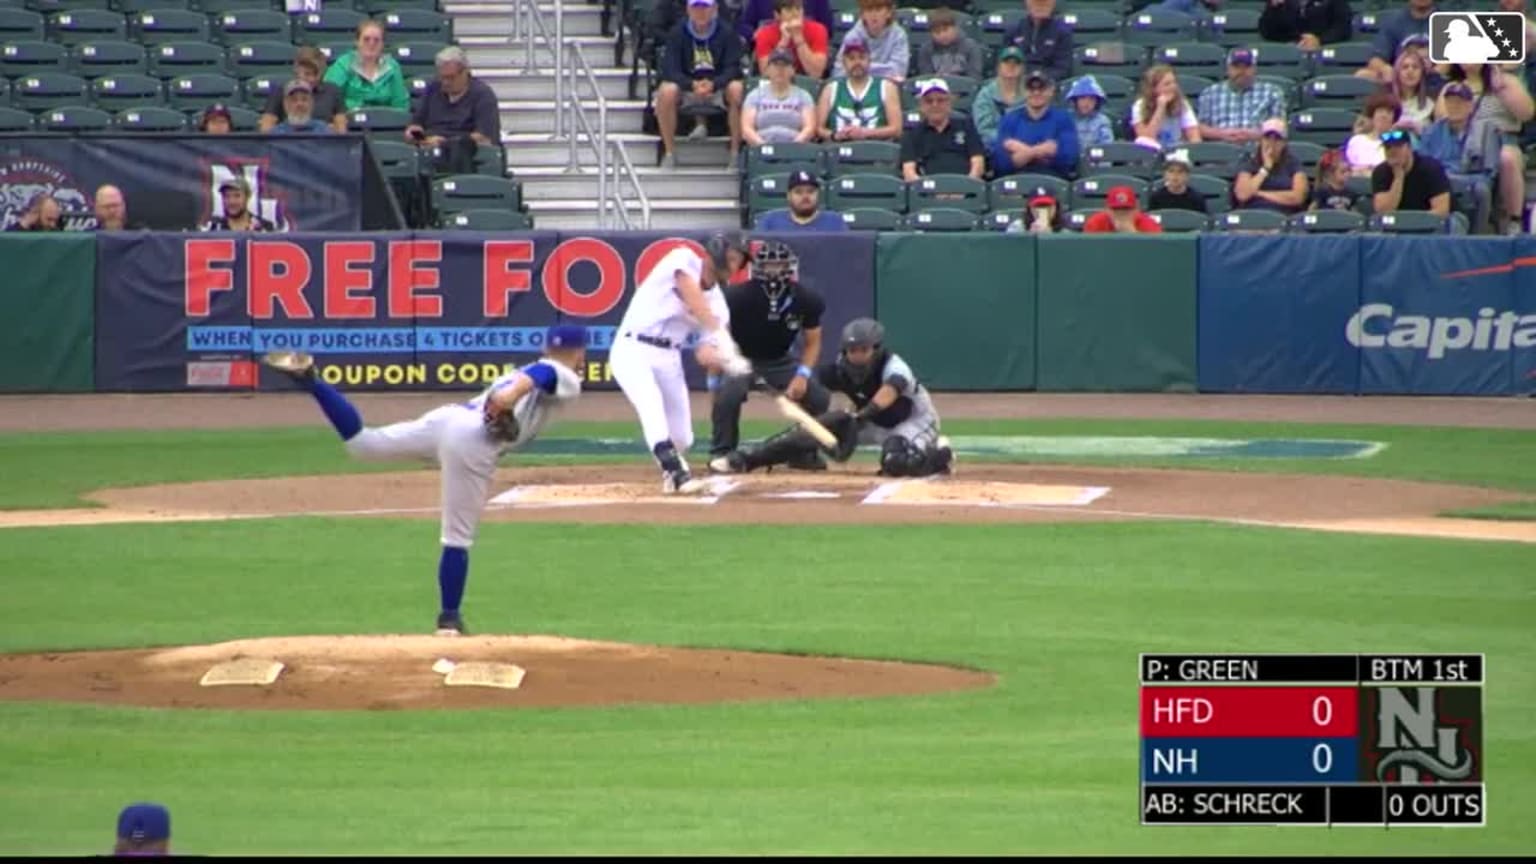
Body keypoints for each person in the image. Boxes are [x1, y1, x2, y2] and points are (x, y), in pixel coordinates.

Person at [262, 325, 590, 636]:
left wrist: (510, 393)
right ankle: (449, 620)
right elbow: (544, 374)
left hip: (449, 418)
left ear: (545, 345)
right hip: (474, 441)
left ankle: (312, 381)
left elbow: (534, 374)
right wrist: (512, 395)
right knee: (457, 537)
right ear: (581, 354)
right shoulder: (566, 376)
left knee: (364, 444)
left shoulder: (527, 368)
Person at [709, 317, 954, 479]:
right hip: (871, 423)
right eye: (852, 350)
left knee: (895, 461)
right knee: (808, 431)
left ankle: (941, 456)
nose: (856, 356)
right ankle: (746, 460)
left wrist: (860, 416)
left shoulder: (894, 367)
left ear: (876, 349)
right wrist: (834, 419)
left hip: (912, 422)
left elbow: (887, 394)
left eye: (863, 350)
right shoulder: (839, 368)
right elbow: (820, 394)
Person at [610, 232, 753, 494]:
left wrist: (726, 358)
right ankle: (676, 473)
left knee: (682, 438)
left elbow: (704, 353)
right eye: (732, 258)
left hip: (669, 356)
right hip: (632, 347)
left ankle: (671, 466)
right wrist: (723, 336)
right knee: (650, 402)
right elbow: (692, 295)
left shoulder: (719, 305)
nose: (734, 266)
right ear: (718, 251)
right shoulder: (682, 258)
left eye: (739, 261)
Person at [708, 239, 833, 468]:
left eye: (779, 265)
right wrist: (715, 379)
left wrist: (802, 375)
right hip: (741, 358)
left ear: (790, 266)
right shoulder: (736, 297)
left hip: (780, 360)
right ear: (757, 268)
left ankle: (800, 451)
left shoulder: (806, 299)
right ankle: (722, 452)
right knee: (728, 396)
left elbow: (813, 342)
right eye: (769, 265)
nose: (774, 271)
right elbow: (720, 337)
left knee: (819, 398)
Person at [1440, 62, 1535, 234]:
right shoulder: (1451, 87)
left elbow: (1526, 113)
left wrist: (1501, 90)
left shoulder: (1505, 81)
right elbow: (1443, 122)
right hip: (1464, 144)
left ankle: (1514, 220)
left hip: (1503, 141)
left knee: (1508, 157)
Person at [655, 0, 746, 169]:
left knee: (737, 89)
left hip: (718, 88)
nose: (701, 12)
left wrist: (714, 84)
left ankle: (735, 153)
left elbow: (733, 67)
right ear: (689, 9)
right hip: (687, 88)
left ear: (714, 9)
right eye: (696, 7)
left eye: (705, 7)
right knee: (666, 91)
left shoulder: (726, 32)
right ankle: (669, 152)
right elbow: (670, 69)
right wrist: (691, 85)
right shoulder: (678, 32)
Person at [1418, 81, 1500, 232]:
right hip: (1438, 182)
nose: (1454, 106)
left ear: (1470, 106)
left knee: (1482, 190)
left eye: (1459, 102)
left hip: (1470, 181)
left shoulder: (1486, 130)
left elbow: (1489, 174)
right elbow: (1422, 167)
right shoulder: (1431, 131)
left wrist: (1457, 179)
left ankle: (1477, 238)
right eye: (1450, 102)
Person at [405, 45, 501, 174]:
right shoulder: (433, 89)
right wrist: (424, 139)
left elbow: (485, 137)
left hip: (466, 154)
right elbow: (414, 128)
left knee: (459, 147)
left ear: (465, 72)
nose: (445, 82)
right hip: (432, 151)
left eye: (450, 77)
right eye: (442, 77)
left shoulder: (482, 94)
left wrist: (446, 143)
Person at [991, 69, 1079, 178]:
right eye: (1031, 88)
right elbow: (1000, 163)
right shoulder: (1009, 119)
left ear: (1051, 90)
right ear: (1024, 91)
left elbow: (1069, 158)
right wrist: (1043, 151)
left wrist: (1022, 152)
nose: (1036, 93)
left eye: (1041, 88)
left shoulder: (1064, 119)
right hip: (1016, 182)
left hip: (1053, 181)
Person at [816, 36, 903, 141]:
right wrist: (835, 135)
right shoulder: (831, 88)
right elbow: (818, 129)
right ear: (844, 62)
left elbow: (897, 129)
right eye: (851, 58)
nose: (857, 62)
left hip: (875, 152)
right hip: (839, 150)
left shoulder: (886, 87)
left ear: (869, 60)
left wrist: (866, 133)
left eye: (861, 57)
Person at [900, 77, 986, 179]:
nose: (935, 105)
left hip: (965, 189)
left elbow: (978, 164)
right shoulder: (912, 134)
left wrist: (965, 187)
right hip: (927, 192)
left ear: (949, 103)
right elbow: (909, 172)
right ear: (921, 105)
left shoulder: (966, 127)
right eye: (929, 101)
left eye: (940, 100)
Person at [1196, 47, 1287, 144]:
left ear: (1254, 69)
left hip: (1258, 151)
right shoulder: (1210, 94)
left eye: (1247, 66)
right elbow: (1200, 129)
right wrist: (1222, 134)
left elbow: (1281, 128)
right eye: (1236, 66)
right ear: (1227, 69)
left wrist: (1253, 134)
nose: (1241, 71)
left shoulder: (1272, 92)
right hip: (1220, 151)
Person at [323, 18, 411, 112]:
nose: (371, 44)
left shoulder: (392, 67)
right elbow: (328, 98)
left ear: (382, 44)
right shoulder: (343, 64)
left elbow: (401, 105)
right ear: (357, 42)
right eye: (366, 39)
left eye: (376, 40)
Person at [260, 45, 346, 133]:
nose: (306, 78)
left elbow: (341, 131)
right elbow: (266, 129)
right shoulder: (281, 91)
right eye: (304, 74)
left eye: (311, 74)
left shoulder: (333, 91)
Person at [1232, 117, 1309, 212]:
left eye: (1277, 139)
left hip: (1282, 217)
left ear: (1284, 143)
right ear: (1261, 140)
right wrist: (1265, 169)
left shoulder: (1293, 163)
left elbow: (1297, 197)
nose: (1271, 143)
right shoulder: (1250, 161)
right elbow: (1242, 195)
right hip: (1252, 216)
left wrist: (1259, 193)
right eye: (1267, 138)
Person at [743, 49, 818, 145]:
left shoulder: (804, 96)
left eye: (785, 65)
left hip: (795, 148)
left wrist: (793, 146)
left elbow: (809, 128)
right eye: (775, 65)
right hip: (761, 147)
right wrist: (762, 146)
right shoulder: (755, 95)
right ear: (768, 69)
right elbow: (747, 129)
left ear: (792, 70)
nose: (780, 69)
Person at [1371, 126, 1451, 216]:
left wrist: (1412, 222)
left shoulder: (1431, 168)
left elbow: (1441, 211)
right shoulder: (1380, 172)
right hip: (1397, 226)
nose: (1392, 151)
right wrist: (1398, 178)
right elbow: (1383, 212)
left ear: (1409, 148)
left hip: (1431, 224)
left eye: (1398, 146)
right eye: (1388, 147)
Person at [1358, 0, 1436, 84]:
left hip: (1434, 81)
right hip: (1401, 80)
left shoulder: (1445, 18)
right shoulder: (1394, 21)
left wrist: (1431, 75)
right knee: (1363, 74)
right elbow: (1376, 59)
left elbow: (1446, 65)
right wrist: (1385, 69)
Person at [831, 0, 909, 83]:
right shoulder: (852, 37)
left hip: (888, 87)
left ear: (889, 13)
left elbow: (899, 71)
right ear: (862, 14)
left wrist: (861, 69)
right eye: (869, 10)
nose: (874, 15)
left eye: (878, 10)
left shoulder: (899, 35)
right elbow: (839, 72)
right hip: (858, 86)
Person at [1132, 64, 1201, 151]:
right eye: (1167, 84)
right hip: (1149, 153)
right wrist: (1160, 108)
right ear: (1154, 88)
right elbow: (1145, 140)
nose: (1173, 87)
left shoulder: (1182, 104)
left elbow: (1194, 137)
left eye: (1174, 82)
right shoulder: (1139, 105)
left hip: (1177, 152)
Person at [971, 45, 1028, 150]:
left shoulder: (1031, 94)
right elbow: (983, 130)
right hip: (993, 150)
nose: (1011, 66)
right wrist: (1008, 143)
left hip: (1026, 148)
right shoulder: (986, 94)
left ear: (1023, 68)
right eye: (1007, 62)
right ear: (998, 67)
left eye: (1016, 63)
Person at [753, 0, 829, 78]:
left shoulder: (818, 30)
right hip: (776, 83)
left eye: (798, 8)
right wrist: (783, 42)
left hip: (808, 83)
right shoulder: (764, 34)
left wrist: (798, 38)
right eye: (789, 10)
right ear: (777, 15)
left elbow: (816, 73)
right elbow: (766, 74)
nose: (795, 14)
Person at [756, 168, 850, 230]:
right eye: (798, 192)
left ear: (818, 194)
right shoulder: (770, 221)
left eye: (810, 191)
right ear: (788, 195)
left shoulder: (835, 221)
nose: (805, 196)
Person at [1004, 0, 1073, 84]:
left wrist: (1039, 79)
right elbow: (1004, 63)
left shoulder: (1062, 32)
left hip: (1048, 85)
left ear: (1053, 3)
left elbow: (1063, 68)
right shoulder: (1014, 30)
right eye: (1036, 3)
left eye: (1044, 3)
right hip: (1017, 84)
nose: (1040, 7)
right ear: (1027, 3)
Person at [914, 7, 983, 80]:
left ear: (955, 27)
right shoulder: (926, 49)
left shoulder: (971, 46)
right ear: (931, 33)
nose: (942, 35)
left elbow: (975, 78)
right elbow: (926, 78)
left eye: (945, 30)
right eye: (937, 32)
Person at [1344, 91, 1403, 174]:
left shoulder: (1398, 143)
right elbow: (1348, 170)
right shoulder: (1357, 141)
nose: (1384, 115)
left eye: (1389, 112)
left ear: (1394, 118)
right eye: (1380, 111)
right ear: (1373, 115)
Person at [1257, 0, 1353, 50]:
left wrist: (1320, 40)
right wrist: (1273, 9)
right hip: (1289, 51)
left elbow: (1342, 26)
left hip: (1324, 50)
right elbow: (1267, 32)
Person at [738, 0, 834, 44]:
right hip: (770, 47)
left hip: (809, 47)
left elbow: (827, 29)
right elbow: (743, 26)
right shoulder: (759, 1)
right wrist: (754, 33)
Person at [200, 178, 277, 232]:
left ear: (247, 197)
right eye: (227, 196)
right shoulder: (214, 228)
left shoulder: (265, 228)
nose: (231, 201)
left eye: (237, 196)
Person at [1082, 185, 1164, 232]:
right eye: (1116, 209)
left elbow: (1156, 252)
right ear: (1107, 210)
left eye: (1126, 209)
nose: (1121, 213)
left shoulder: (1148, 224)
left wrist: (1132, 234)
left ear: (1136, 210)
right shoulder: (1095, 223)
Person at [1390, 50, 1436, 133]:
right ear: (1397, 73)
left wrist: (1418, 130)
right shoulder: (1386, 102)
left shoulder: (1431, 104)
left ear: (1422, 74)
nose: (1410, 71)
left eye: (1415, 67)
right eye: (1405, 67)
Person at [268, 80, 334, 134]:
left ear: (311, 103)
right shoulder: (276, 133)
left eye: (304, 99)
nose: (300, 104)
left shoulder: (323, 130)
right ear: (286, 104)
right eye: (294, 100)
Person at [1066, 75, 1113, 148]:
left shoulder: (1102, 121)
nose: (1086, 103)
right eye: (1082, 98)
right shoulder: (1066, 119)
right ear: (1075, 100)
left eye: (1091, 99)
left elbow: (1107, 147)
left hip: (1096, 157)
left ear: (1097, 102)